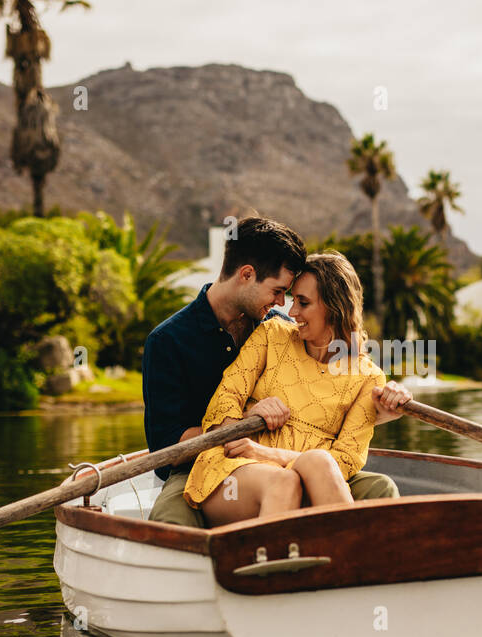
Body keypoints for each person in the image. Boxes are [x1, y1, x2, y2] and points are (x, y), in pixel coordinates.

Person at [142, 217, 410, 527]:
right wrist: (247, 422)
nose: (286, 307)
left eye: (298, 300)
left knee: (379, 487)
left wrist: (383, 412)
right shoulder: (169, 340)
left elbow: (345, 448)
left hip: (301, 465)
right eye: (281, 292)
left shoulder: (276, 322)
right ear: (247, 275)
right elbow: (167, 447)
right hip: (207, 462)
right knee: (173, 524)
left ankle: (359, 562)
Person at [184, 251, 387, 524]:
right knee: (285, 481)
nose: (292, 312)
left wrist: (269, 454)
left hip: (309, 481)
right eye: (293, 301)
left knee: (319, 463)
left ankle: (346, 561)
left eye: (303, 303)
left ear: (335, 307)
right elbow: (225, 400)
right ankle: (274, 565)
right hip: (235, 473)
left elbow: (346, 461)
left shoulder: (368, 377)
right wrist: (242, 429)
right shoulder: (273, 335)